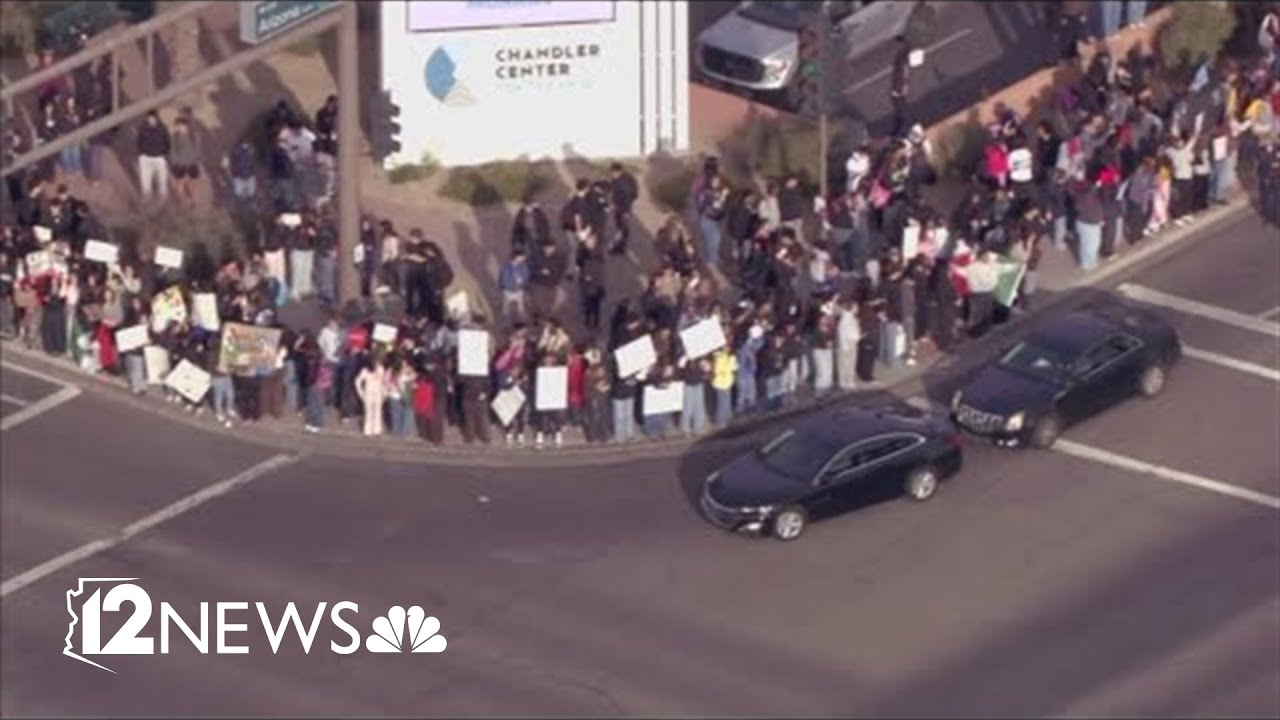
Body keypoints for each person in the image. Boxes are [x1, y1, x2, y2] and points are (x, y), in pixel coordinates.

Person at [136, 111, 171, 202]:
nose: (150, 120)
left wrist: (164, 153)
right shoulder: (143, 128)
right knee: (145, 180)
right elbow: (139, 141)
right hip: (145, 158)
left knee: (162, 180)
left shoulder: (162, 128)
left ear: (156, 118)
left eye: (152, 118)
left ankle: (162, 199)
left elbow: (167, 142)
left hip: (159, 158)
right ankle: (147, 198)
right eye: (149, 118)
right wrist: (142, 152)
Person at [608, 162, 639, 254]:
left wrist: (617, 205)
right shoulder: (628, 178)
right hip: (623, 208)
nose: (611, 175)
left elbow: (627, 196)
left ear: (618, 171)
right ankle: (622, 247)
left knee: (622, 229)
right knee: (622, 228)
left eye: (612, 173)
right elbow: (635, 194)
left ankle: (614, 247)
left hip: (623, 208)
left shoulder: (621, 183)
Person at [169, 116, 201, 202]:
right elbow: (172, 150)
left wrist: (195, 159)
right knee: (180, 183)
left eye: (180, 126)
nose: (179, 128)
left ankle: (194, 200)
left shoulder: (193, 135)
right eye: (177, 126)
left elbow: (197, 148)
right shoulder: (174, 137)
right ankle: (181, 201)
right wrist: (175, 161)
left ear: (186, 126)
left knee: (194, 182)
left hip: (192, 163)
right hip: (180, 164)